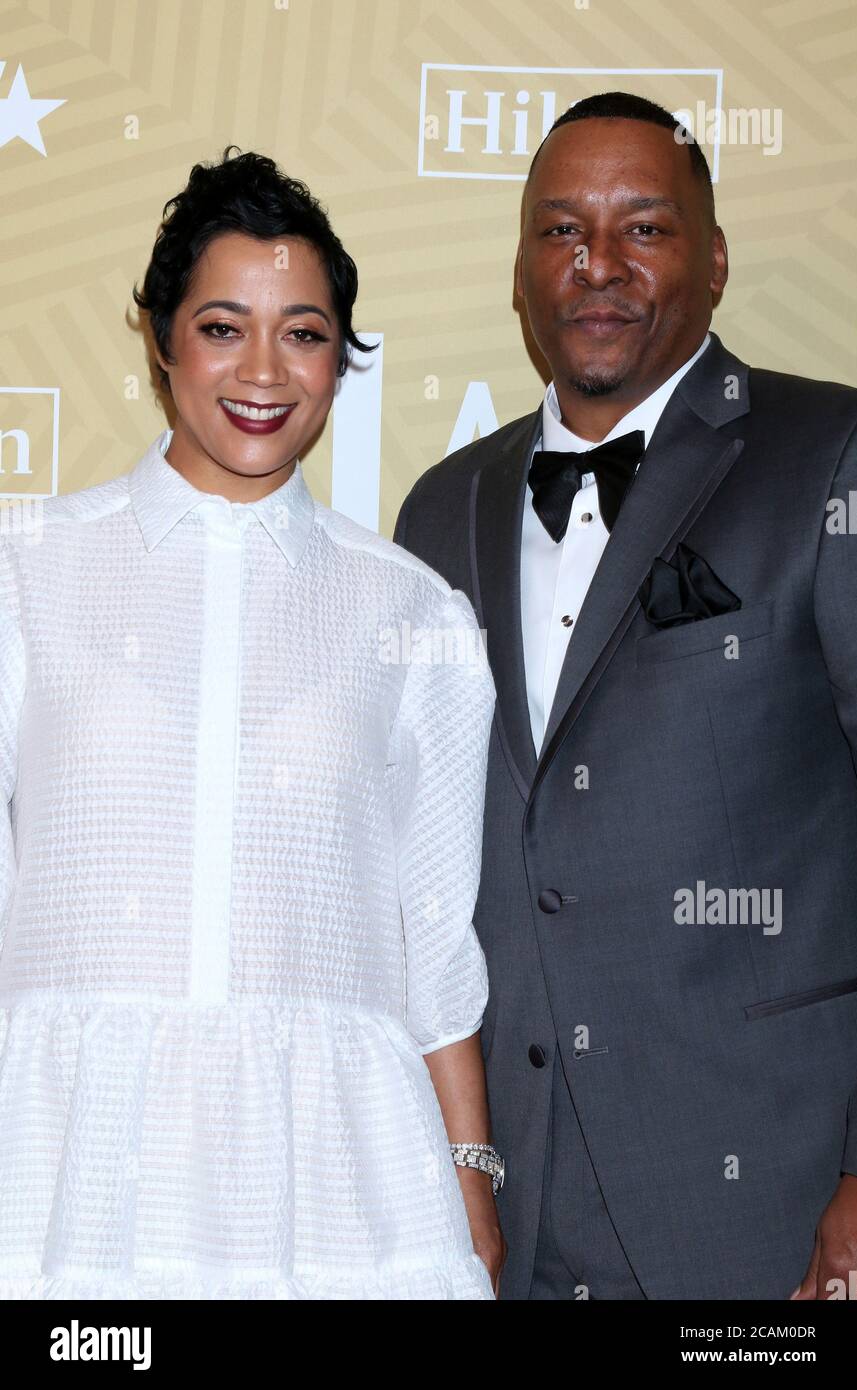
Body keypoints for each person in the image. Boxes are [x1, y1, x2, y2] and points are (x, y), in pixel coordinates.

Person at [0, 146, 505, 1300]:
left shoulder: (413, 612)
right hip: (67, 1163)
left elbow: (434, 932)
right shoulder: (27, 569)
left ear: (340, 359)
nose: (264, 371)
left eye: (306, 333)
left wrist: (468, 1173)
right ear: (160, 337)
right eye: (224, 326)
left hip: (337, 1178)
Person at [394, 92, 857, 1300]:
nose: (595, 265)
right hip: (512, 1205)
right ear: (518, 270)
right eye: (558, 231)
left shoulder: (831, 457)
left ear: (710, 262)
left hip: (770, 1202)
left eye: (641, 229)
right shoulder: (440, 509)